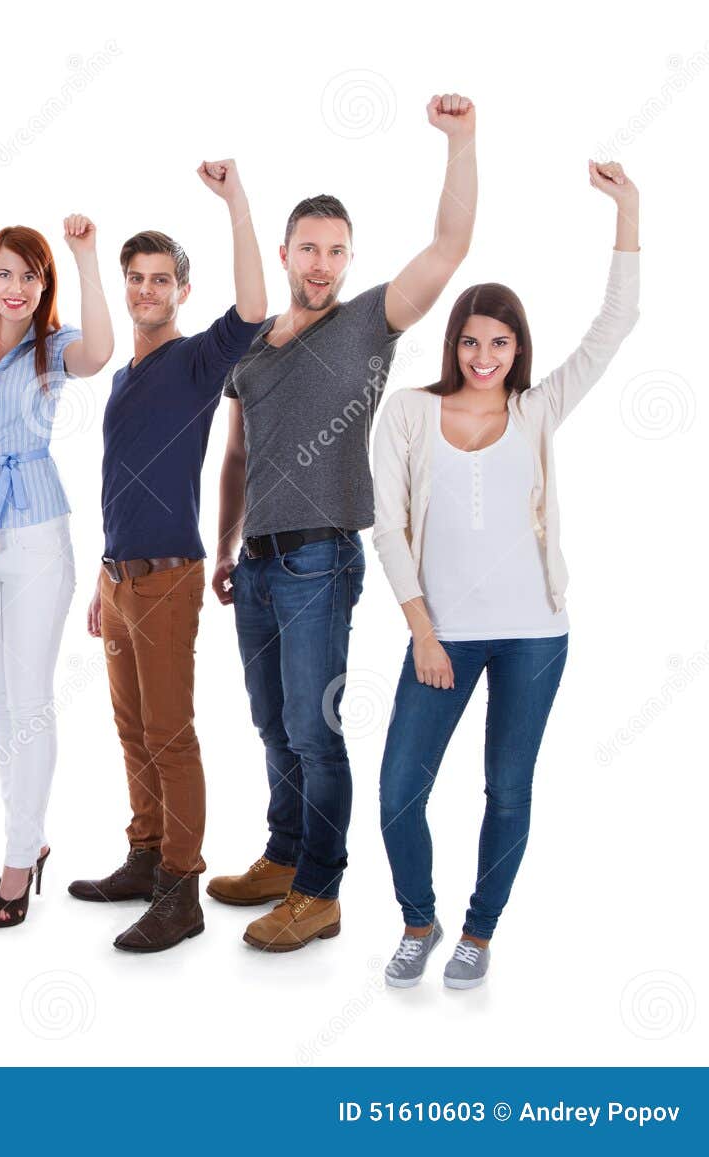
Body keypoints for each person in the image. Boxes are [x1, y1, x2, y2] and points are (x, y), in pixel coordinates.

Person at [209, 94, 479, 952]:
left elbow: (449, 249)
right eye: (308, 250)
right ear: (286, 254)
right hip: (255, 561)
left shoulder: (369, 323)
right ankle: (286, 857)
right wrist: (224, 547)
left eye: (336, 251)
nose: (321, 264)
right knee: (268, 722)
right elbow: (238, 458)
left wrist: (460, 142)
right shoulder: (251, 344)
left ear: (347, 259)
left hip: (321, 561)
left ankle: (320, 892)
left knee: (313, 729)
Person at [373, 162, 641, 990]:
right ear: (452, 343)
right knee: (398, 796)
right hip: (441, 637)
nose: (484, 355)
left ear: (517, 347)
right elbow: (388, 526)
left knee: (508, 791)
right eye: (470, 340)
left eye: (500, 341)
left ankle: (478, 934)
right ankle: (420, 919)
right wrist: (422, 629)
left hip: (535, 634)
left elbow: (616, 323)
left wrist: (627, 209)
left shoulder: (539, 408)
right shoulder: (410, 412)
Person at [71, 159, 267, 952]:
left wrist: (235, 202)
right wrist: (100, 575)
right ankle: (146, 856)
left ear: (182, 290)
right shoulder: (123, 377)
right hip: (120, 579)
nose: (147, 290)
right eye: (137, 279)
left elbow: (253, 308)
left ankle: (181, 888)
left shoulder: (194, 365)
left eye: (161, 279)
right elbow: (120, 483)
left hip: (168, 579)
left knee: (169, 730)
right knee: (130, 726)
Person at [0, 215, 114, 929]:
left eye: (29, 274)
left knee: (29, 697)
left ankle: (19, 855)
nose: (15, 287)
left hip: (38, 533)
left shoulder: (55, 345)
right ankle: (30, 830)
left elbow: (103, 353)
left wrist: (86, 258)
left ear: (43, 284)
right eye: (4, 273)